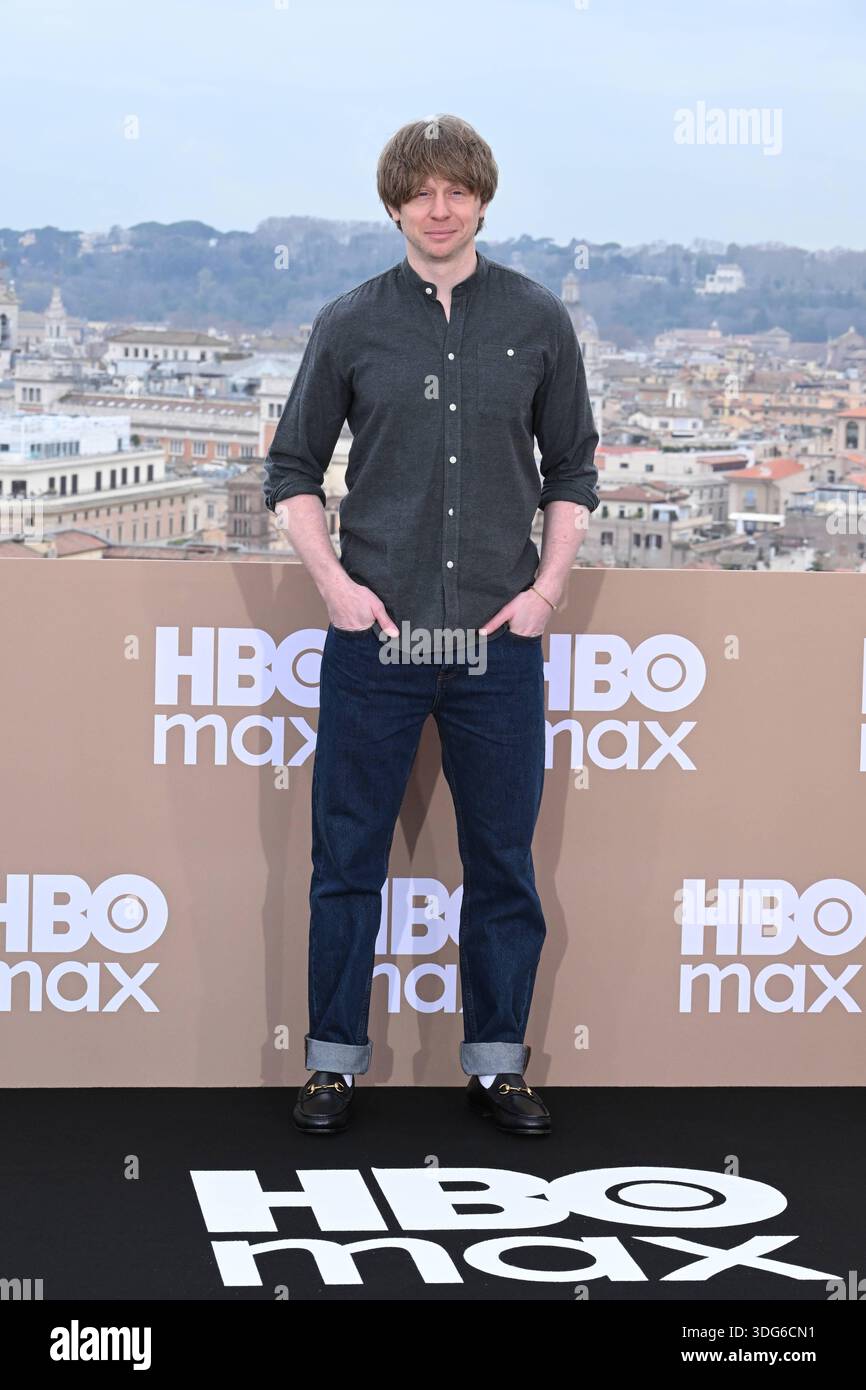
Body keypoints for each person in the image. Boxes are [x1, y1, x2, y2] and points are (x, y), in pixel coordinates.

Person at [262, 114, 599, 1136]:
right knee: (346, 860)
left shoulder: (538, 319)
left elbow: (573, 470)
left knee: (501, 865)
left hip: (496, 645)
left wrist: (544, 593)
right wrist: (329, 581)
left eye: (457, 191)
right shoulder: (350, 322)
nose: (440, 208)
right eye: (422, 193)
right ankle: (330, 1063)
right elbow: (290, 469)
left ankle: (497, 1063)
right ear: (396, 205)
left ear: (482, 201)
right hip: (377, 641)